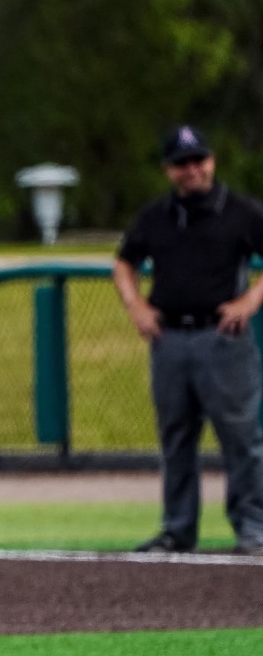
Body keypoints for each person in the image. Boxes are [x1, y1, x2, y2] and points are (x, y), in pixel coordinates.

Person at [112, 125, 263, 554]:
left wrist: (250, 301)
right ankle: (178, 529)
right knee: (176, 437)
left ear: (212, 161)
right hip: (171, 337)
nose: (191, 170)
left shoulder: (240, 211)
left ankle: (253, 527)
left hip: (222, 337)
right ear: (168, 170)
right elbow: (124, 262)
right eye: (182, 164)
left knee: (241, 438)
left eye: (198, 160)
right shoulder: (156, 216)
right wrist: (135, 306)